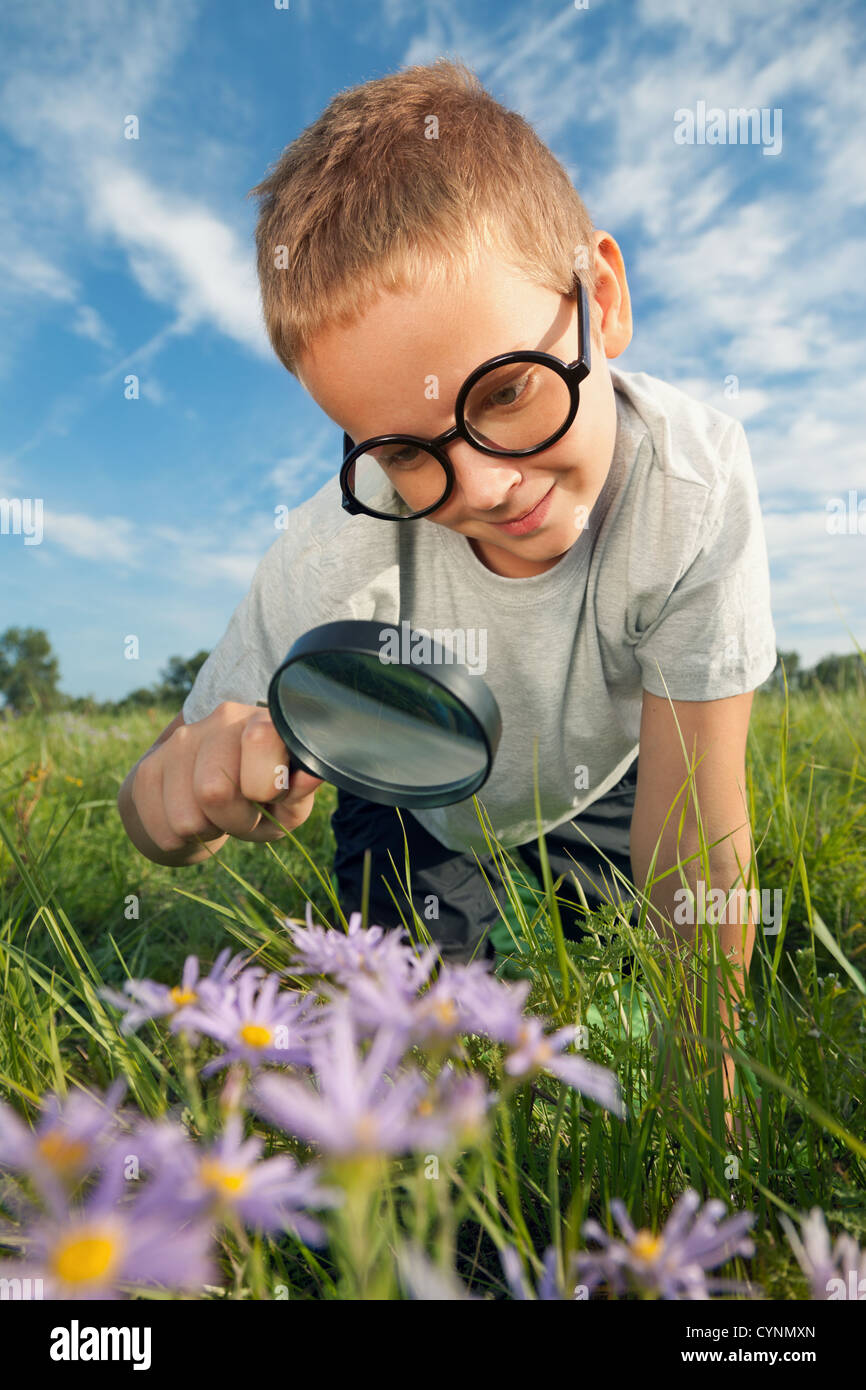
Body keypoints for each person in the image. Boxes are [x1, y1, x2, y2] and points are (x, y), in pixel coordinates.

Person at [116, 60, 777, 1104]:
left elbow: (695, 828)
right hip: (414, 803)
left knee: (620, 963)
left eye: (508, 390)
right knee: (425, 1046)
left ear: (599, 302)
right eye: (403, 453)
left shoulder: (689, 485)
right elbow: (156, 792)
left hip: (601, 790)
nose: (479, 483)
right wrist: (178, 801)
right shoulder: (334, 546)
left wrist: (707, 1101)